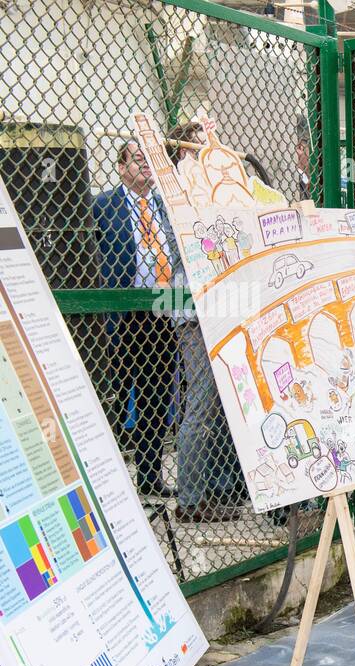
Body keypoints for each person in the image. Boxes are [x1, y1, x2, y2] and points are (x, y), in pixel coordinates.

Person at [165, 122, 248, 522]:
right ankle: (191, 496)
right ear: (182, 153)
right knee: (201, 402)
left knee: (221, 402)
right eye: (197, 147)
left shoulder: (207, 190)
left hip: (221, 303)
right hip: (194, 311)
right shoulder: (178, 194)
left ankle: (216, 487)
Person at [93, 139, 178, 501]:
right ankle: (103, 479)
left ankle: (148, 474)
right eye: (138, 159)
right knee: (111, 394)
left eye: (148, 160)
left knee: (155, 398)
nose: (145, 166)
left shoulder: (163, 205)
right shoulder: (103, 206)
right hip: (122, 313)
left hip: (161, 310)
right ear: (121, 166)